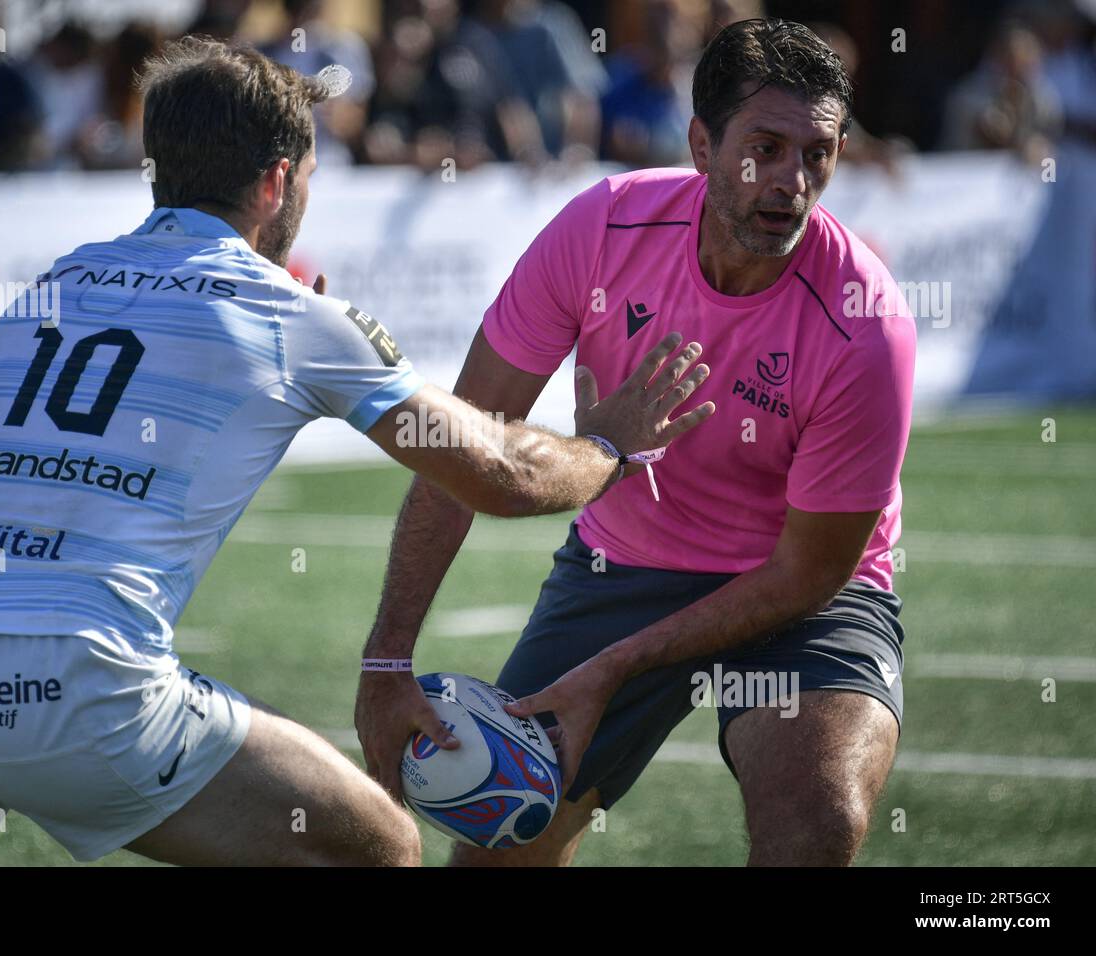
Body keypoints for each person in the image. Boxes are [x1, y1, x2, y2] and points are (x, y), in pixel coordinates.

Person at [0, 38, 712, 868]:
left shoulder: (52, 282)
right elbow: (501, 475)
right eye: (308, 173)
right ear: (278, 183)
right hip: (78, 686)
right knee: (378, 846)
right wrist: (608, 444)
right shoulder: (286, 317)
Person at [355, 17, 917, 867]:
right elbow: (459, 444)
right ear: (700, 143)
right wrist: (387, 657)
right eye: (765, 147)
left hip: (803, 597)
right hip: (624, 565)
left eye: (818, 153)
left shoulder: (866, 325)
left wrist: (616, 668)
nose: (792, 183)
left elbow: (811, 570)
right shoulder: (600, 230)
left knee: (818, 823)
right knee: (499, 855)